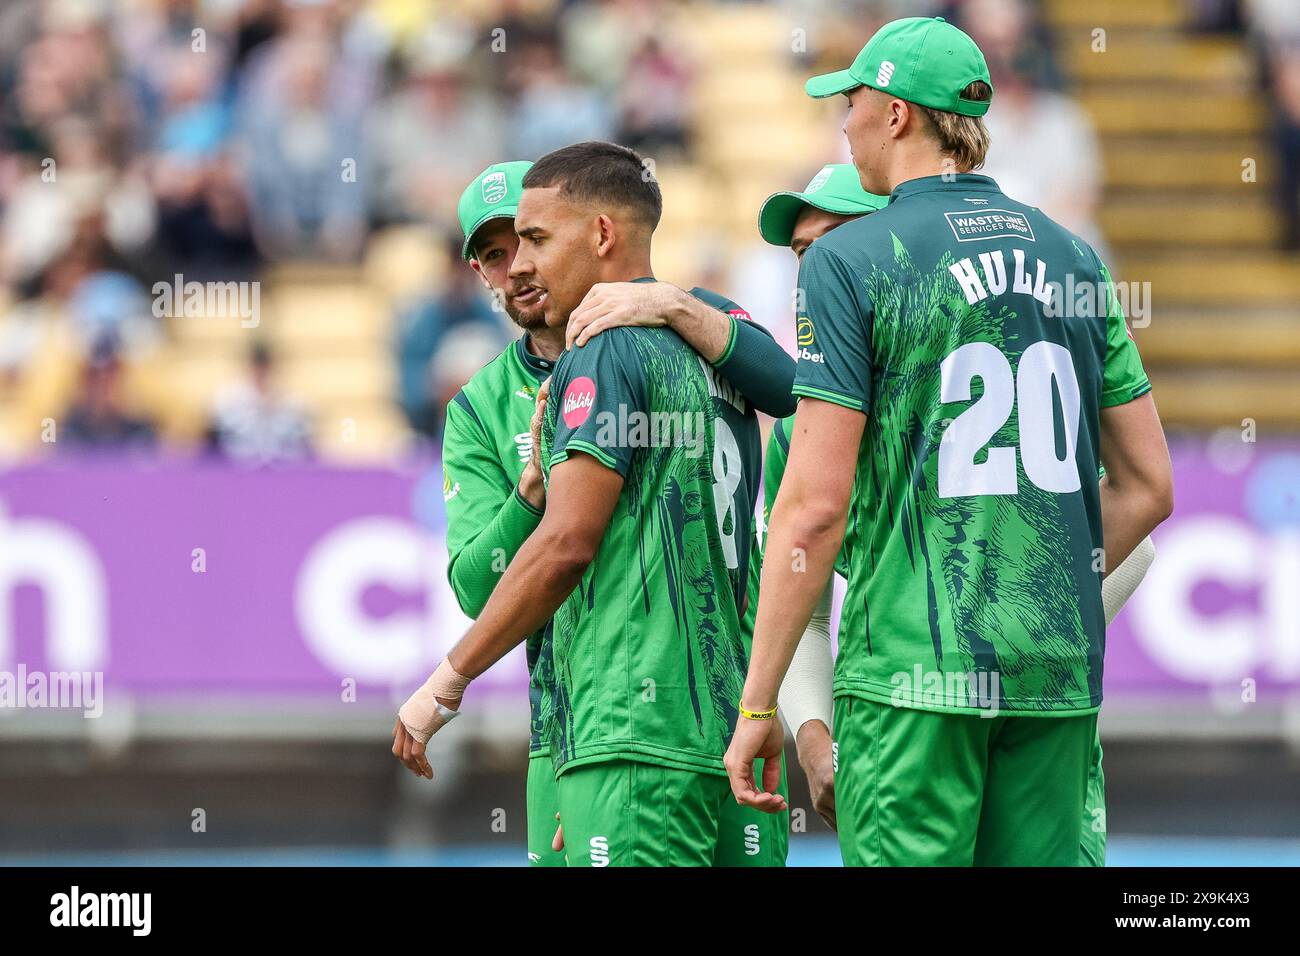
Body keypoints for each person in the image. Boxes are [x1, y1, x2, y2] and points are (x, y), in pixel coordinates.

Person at [726, 17, 1174, 866]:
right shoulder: (1075, 256)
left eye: (852, 101)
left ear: (896, 113)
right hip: (1053, 675)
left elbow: (814, 513)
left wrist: (759, 713)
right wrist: (1044, 595)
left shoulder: (847, 258)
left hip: (913, 677)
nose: (844, 120)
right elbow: (1151, 487)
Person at [415, 146, 796, 867]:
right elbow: (474, 583)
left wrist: (672, 300)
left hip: (655, 719)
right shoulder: (482, 405)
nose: (518, 268)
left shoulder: (687, 324)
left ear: (585, 232)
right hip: (581, 722)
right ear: (477, 274)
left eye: (531, 240)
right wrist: (533, 491)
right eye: (496, 255)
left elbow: (793, 387)